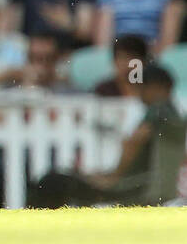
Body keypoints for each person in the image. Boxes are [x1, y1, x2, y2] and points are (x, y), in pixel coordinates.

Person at [27, 64, 186, 207]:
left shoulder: (158, 111)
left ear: (158, 87)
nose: (139, 91)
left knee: (51, 182)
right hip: (139, 183)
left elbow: (134, 142)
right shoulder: (173, 116)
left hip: (128, 188)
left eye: (143, 86)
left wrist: (112, 177)